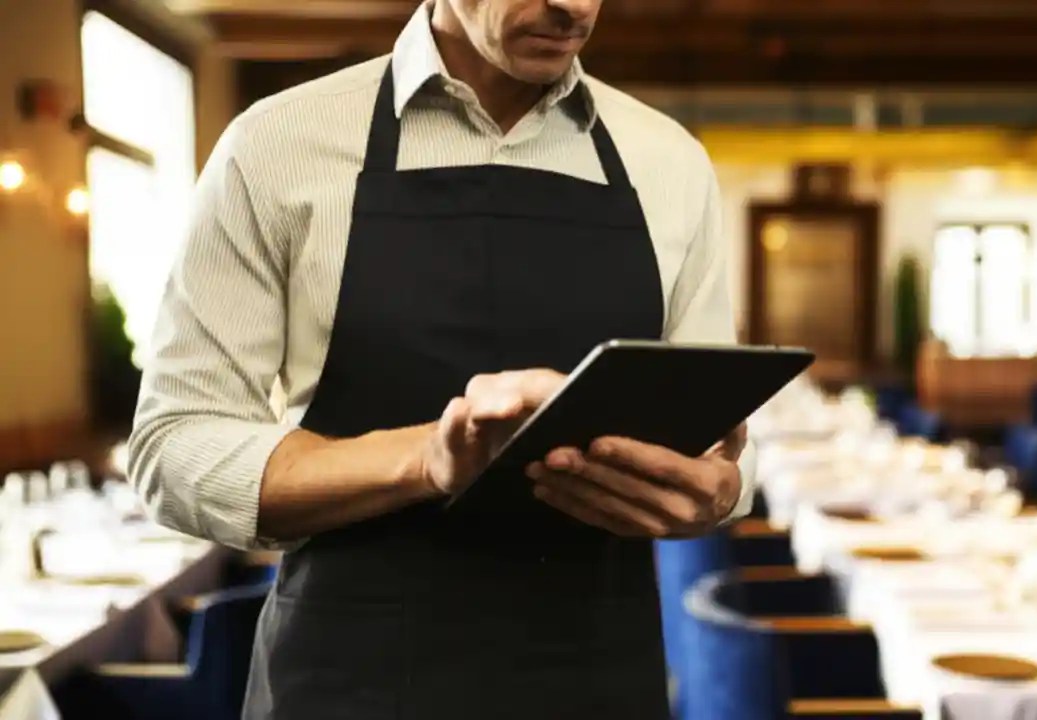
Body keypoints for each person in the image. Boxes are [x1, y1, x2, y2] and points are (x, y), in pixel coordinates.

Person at [128, 0, 756, 718]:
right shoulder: (276, 145)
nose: (574, 6)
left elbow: (719, 434)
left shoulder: (670, 162)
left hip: (597, 678)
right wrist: (428, 457)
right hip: (346, 682)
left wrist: (721, 491)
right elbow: (173, 447)